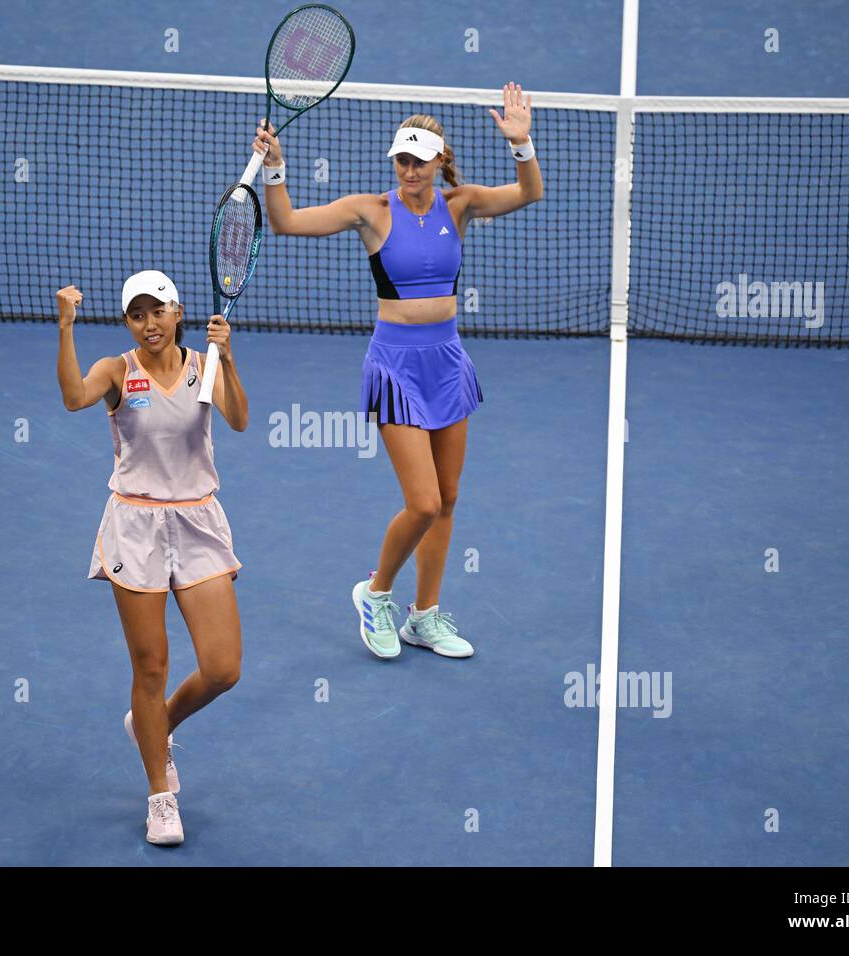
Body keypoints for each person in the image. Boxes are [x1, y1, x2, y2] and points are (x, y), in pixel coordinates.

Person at [252, 83, 543, 661]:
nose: (409, 169)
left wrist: (521, 142)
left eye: (419, 159)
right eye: (402, 159)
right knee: (424, 502)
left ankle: (424, 616)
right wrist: (276, 170)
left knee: (450, 497)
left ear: (440, 161)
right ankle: (375, 592)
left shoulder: (460, 205)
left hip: (448, 362)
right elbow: (285, 223)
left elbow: (530, 192)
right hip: (396, 369)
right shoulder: (371, 210)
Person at [56, 271, 249, 845]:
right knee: (151, 666)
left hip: (198, 522)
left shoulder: (204, 363)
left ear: (178, 312)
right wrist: (66, 328)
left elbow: (238, 419)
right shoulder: (118, 370)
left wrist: (229, 359)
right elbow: (73, 398)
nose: (150, 324)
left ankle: (155, 725)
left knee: (223, 668)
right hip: (135, 526)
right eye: (137, 315)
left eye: (158, 311)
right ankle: (158, 793)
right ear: (127, 324)